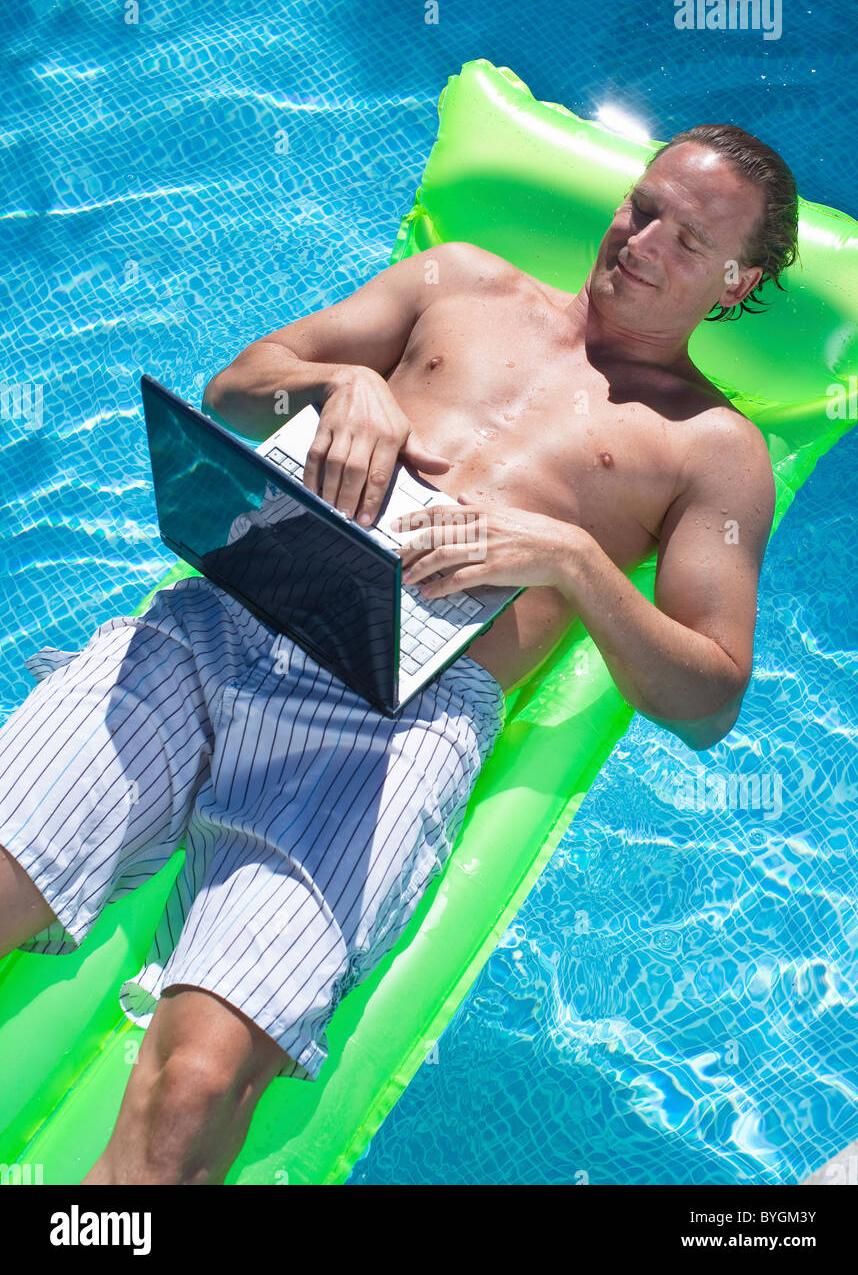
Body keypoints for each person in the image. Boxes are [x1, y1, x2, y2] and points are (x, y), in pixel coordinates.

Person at [0, 123, 797, 1185]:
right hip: (231, 608)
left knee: (195, 1083)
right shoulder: (460, 283)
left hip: (395, 718)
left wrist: (567, 558)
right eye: (639, 204)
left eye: (686, 240)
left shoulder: (710, 447)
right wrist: (332, 388)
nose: (639, 240)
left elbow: (705, 699)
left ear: (735, 282)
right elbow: (239, 386)